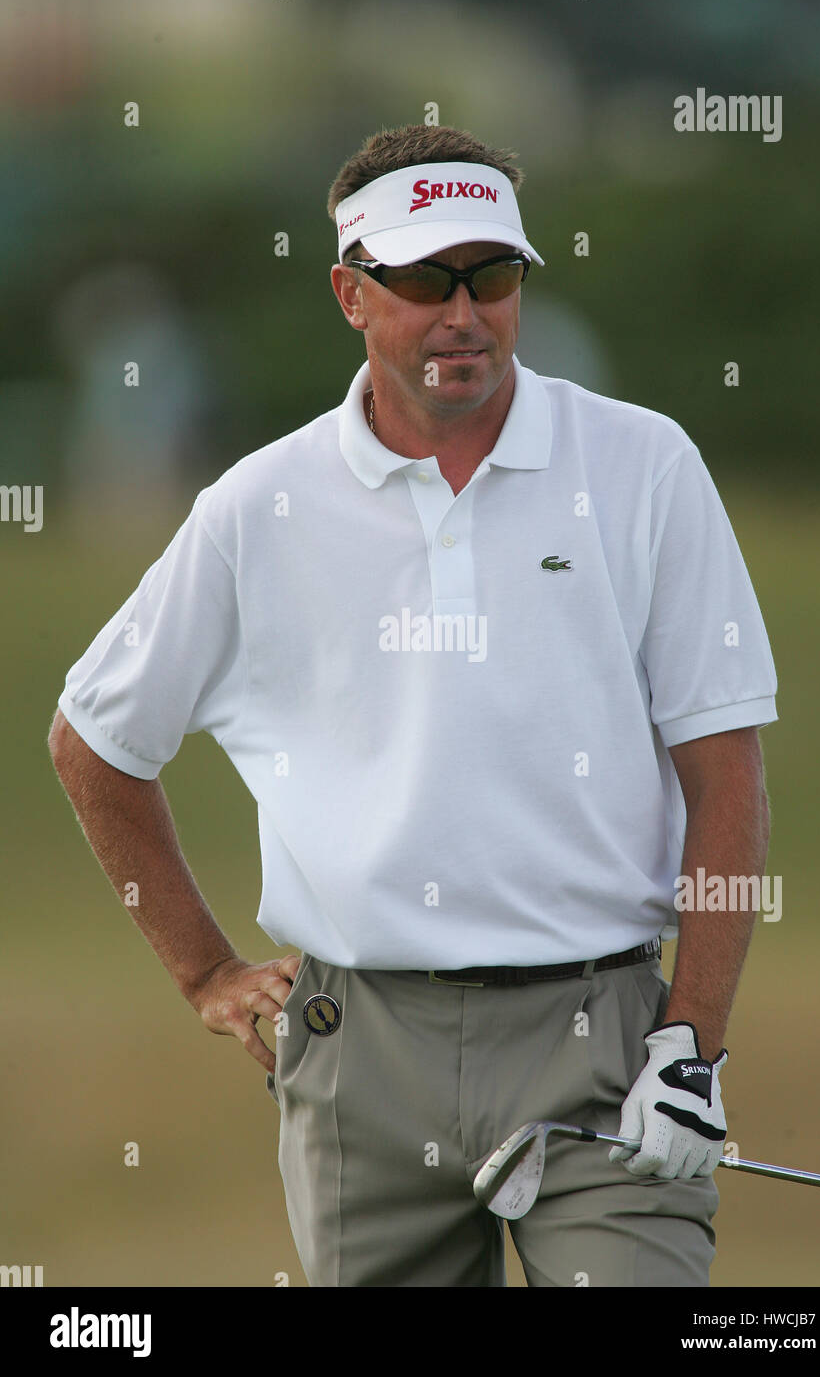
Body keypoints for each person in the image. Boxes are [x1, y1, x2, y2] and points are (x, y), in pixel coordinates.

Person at [47, 123, 777, 1288]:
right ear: (350, 291)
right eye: (424, 279)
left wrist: (690, 1043)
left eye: (491, 277)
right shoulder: (258, 506)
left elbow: (723, 767)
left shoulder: (644, 467)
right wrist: (205, 972)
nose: (462, 313)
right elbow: (94, 740)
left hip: (604, 1036)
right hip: (356, 1051)